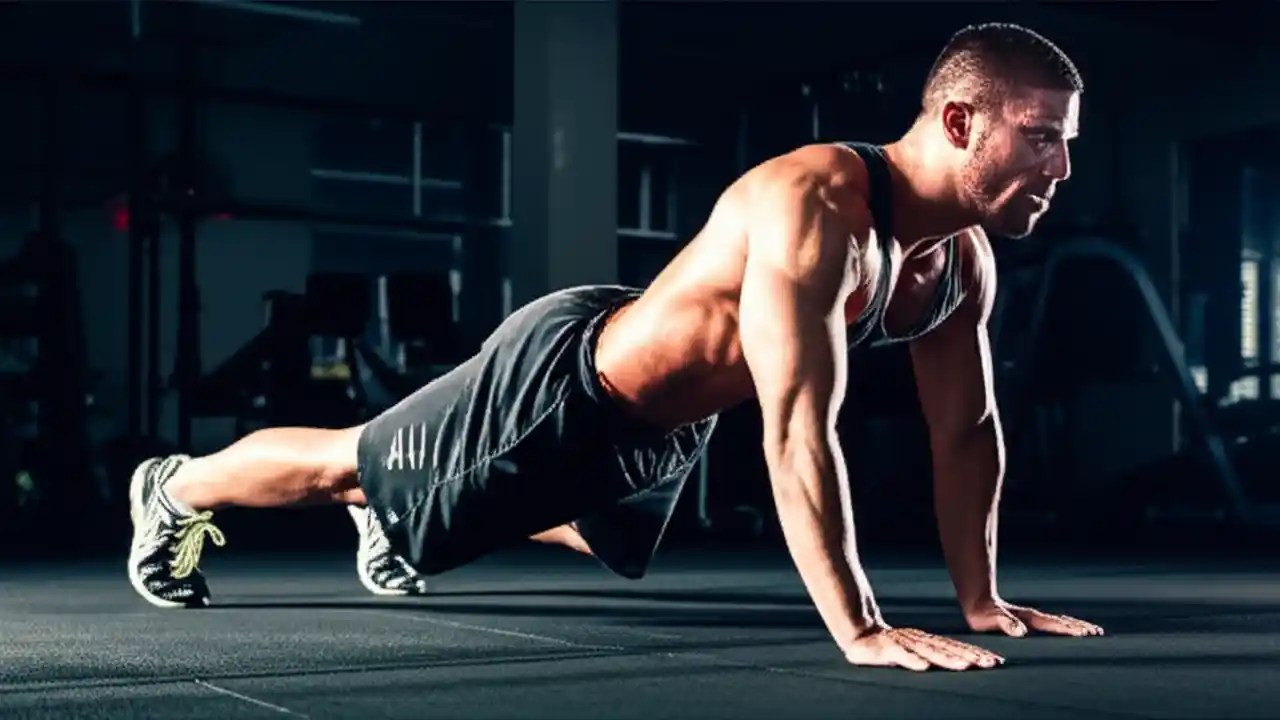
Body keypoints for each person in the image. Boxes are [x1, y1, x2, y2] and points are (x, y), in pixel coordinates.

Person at [127, 21, 1104, 671]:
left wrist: (980, 599)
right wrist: (859, 626)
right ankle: (175, 488)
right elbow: (797, 430)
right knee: (348, 465)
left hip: (661, 425)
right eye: (1039, 138)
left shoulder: (958, 261)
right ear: (959, 120)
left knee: (591, 536)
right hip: (569, 383)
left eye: (1066, 143)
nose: (1060, 167)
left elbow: (965, 433)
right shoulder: (816, 205)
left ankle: (397, 510)